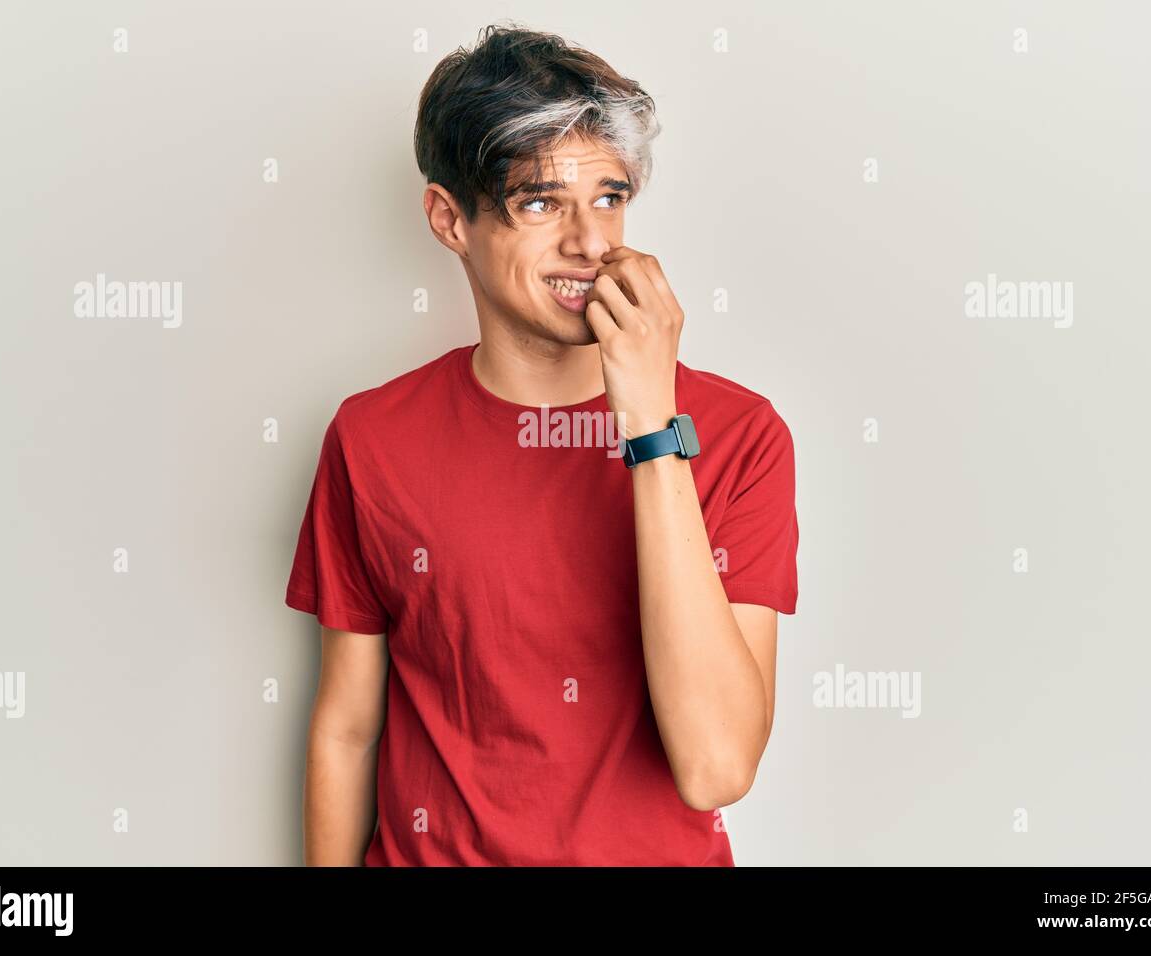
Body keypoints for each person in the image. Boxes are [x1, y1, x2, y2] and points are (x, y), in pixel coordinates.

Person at [285, 23, 799, 866]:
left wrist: (648, 426)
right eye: (539, 202)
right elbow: (346, 729)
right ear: (450, 220)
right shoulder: (371, 437)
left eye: (609, 197)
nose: (592, 244)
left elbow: (714, 766)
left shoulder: (741, 437)